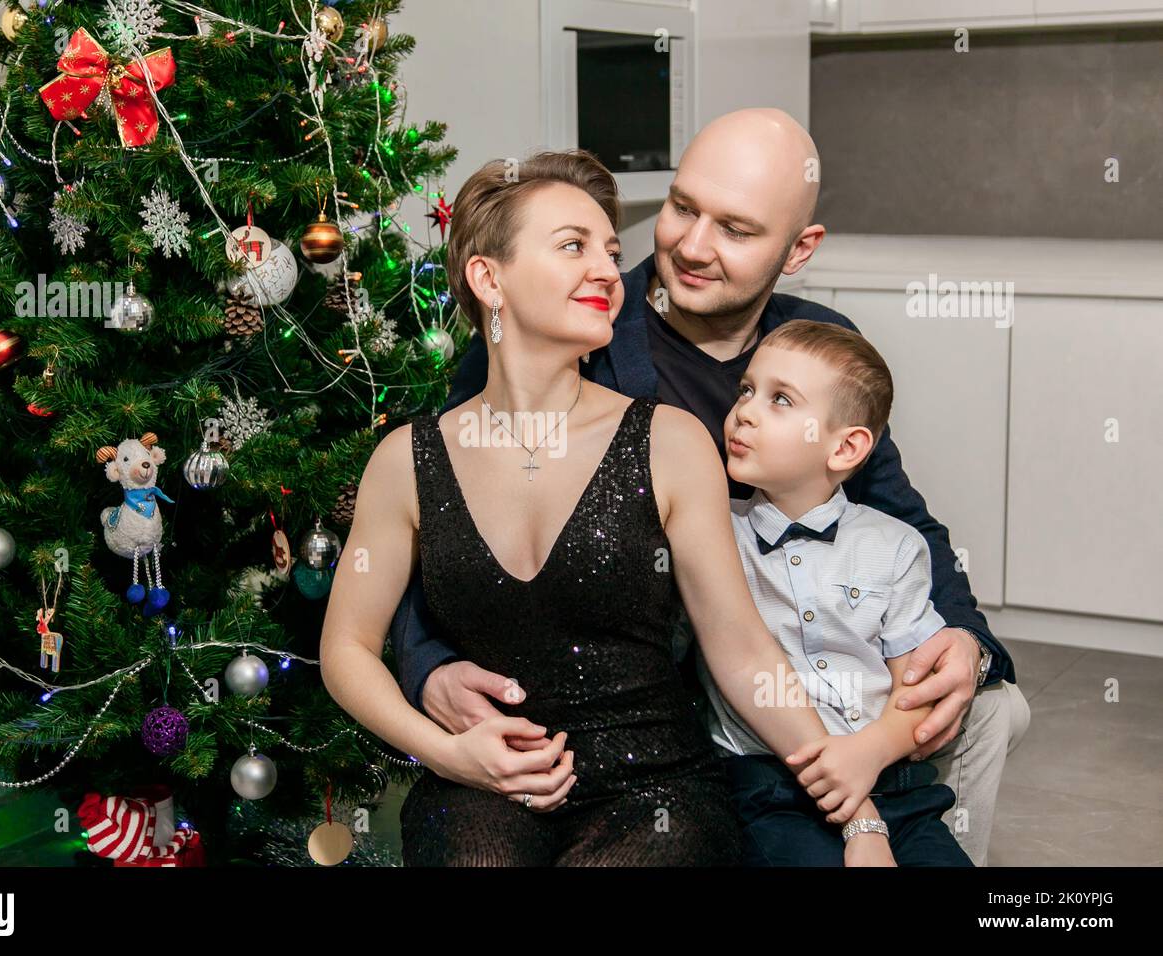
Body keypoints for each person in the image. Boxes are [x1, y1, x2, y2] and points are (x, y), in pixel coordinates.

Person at [391, 107, 1029, 866]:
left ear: (799, 250)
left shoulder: (821, 345)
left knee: (991, 707)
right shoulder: (565, 325)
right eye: (682, 208)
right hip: (646, 688)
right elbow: (438, 516)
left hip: (785, 651)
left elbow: (899, 519)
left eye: (736, 229)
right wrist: (426, 664)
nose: (691, 247)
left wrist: (966, 642)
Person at [320, 150, 895, 866]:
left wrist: (860, 816)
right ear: (487, 277)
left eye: (611, 250)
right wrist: (450, 755)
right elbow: (344, 649)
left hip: (655, 787)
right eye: (573, 246)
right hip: (483, 781)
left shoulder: (672, 443)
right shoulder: (406, 461)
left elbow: (744, 652)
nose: (607, 272)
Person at [691, 318, 972, 865]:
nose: (744, 411)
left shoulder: (894, 546)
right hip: (768, 786)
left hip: (890, 781)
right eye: (746, 390)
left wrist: (869, 752)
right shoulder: (715, 532)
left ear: (845, 449)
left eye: (780, 400)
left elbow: (914, 685)